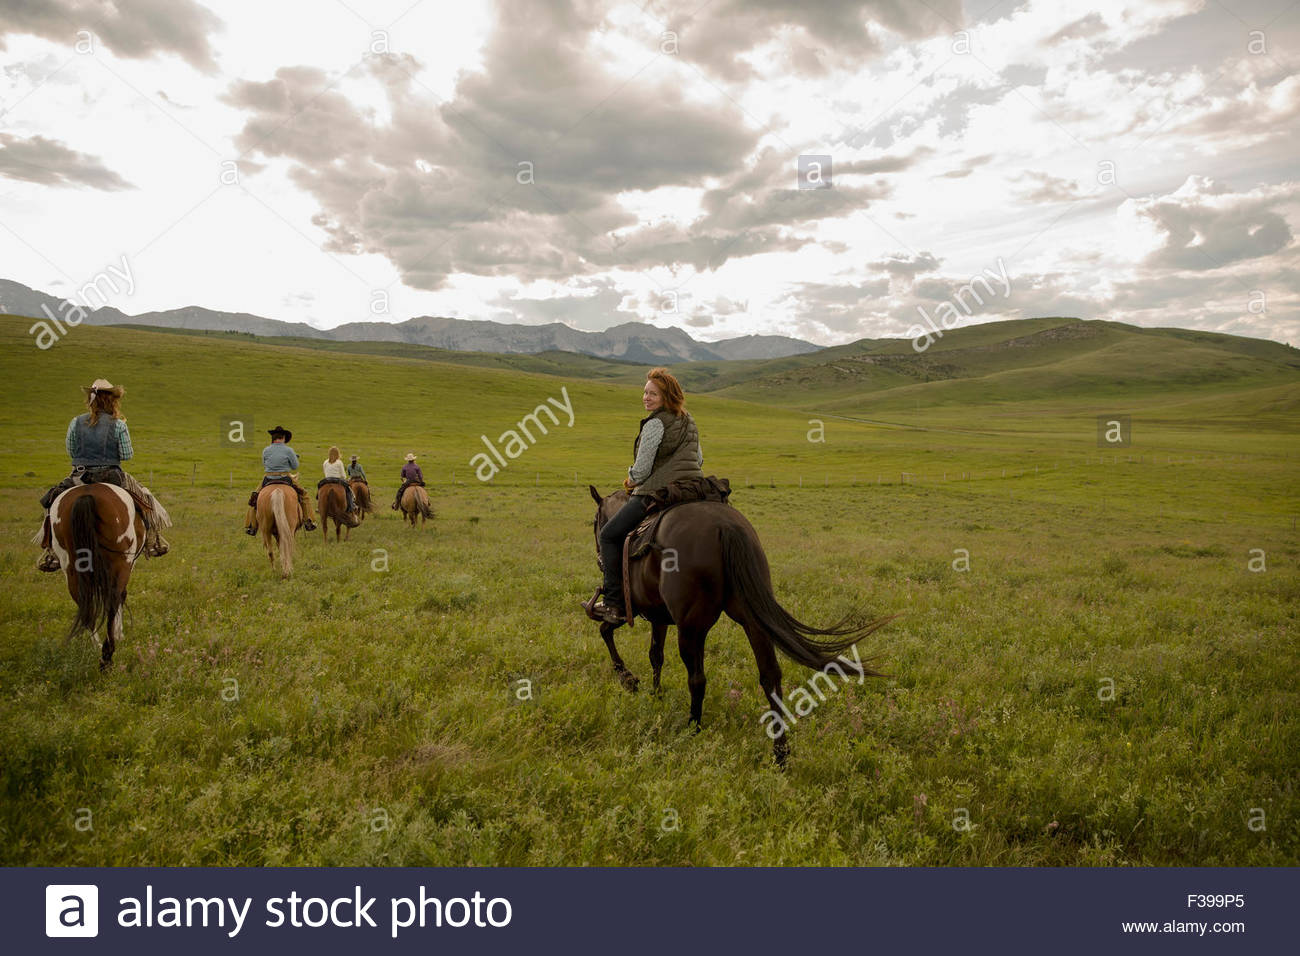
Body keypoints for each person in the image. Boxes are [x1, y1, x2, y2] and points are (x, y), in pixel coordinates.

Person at [587, 368, 703, 624]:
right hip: (692, 489)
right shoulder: (688, 419)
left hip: (657, 492)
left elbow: (641, 470)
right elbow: (699, 458)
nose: (646, 398)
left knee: (608, 535)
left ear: (666, 396)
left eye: (652, 394)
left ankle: (614, 604)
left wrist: (630, 481)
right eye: (644, 392)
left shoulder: (655, 424)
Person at [37, 378, 171, 571]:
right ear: (113, 400)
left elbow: (71, 451)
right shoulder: (119, 424)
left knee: (52, 501)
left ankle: (50, 550)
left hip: (79, 476)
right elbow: (127, 455)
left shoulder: (76, 422)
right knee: (145, 498)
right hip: (112, 476)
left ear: (91, 399)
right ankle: (153, 540)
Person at [244, 426, 317, 534]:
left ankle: (251, 525)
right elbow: (295, 466)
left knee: (254, 498)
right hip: (285, 477)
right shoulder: (289, 450)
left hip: (268, 477)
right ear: (283, 438)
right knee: (304, 495)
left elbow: (265, 464)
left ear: (273, 438)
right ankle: (308, 521)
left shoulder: (266, 450)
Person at [318, 445, 358, 517]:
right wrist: (345, 479)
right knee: (348, 491)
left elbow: (325, 472)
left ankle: (319, 506)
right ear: (337, 454)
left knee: (319, 489)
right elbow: (343, 475)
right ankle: (352, 506)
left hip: (327, 480)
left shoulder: (325, 462)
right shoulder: (339, 462)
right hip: (337, 480)